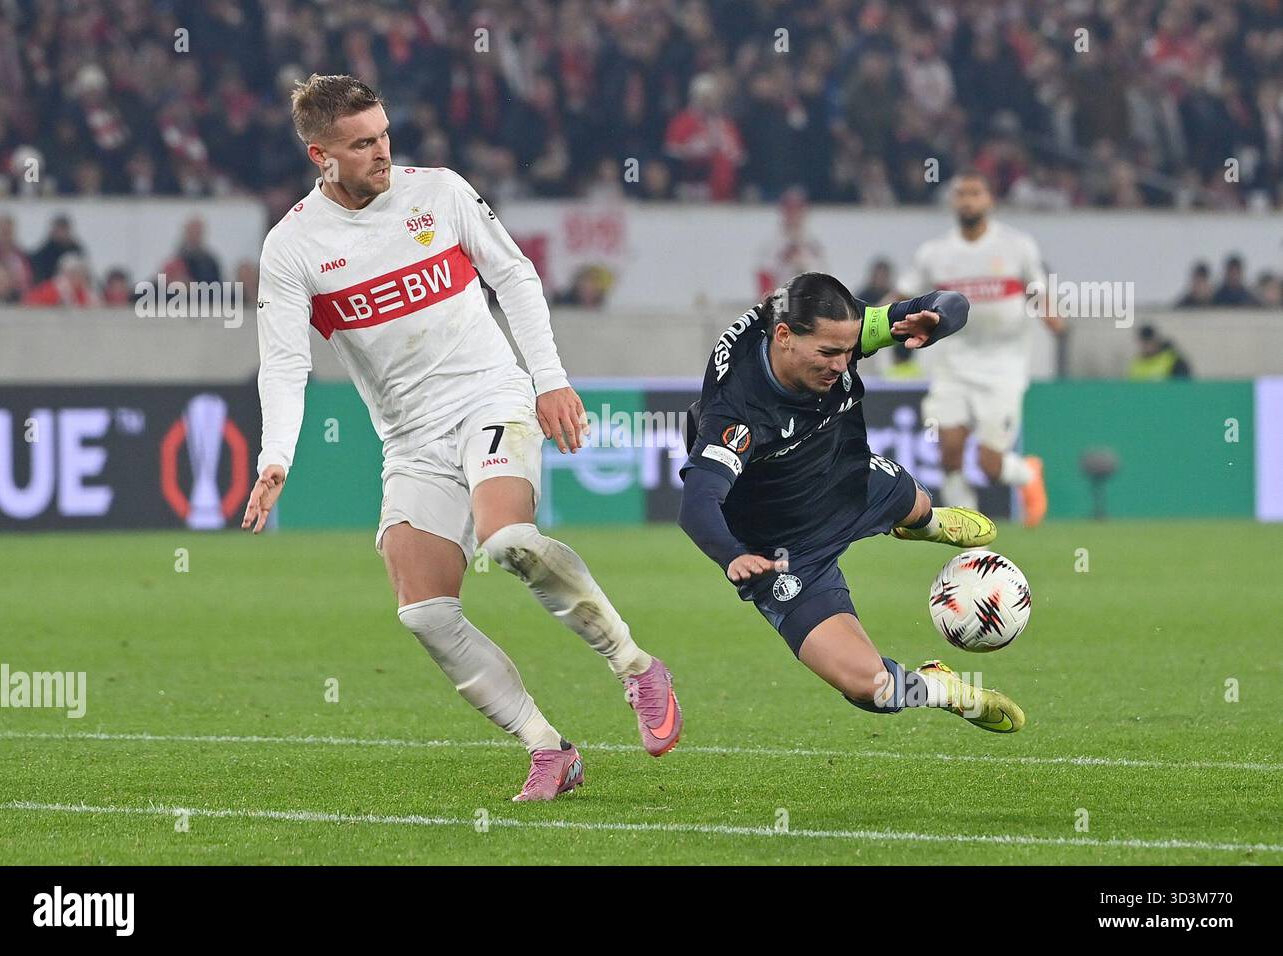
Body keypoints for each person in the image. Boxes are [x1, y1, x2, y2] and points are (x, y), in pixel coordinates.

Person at [243, 74, 681, 802]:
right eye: (362, 144)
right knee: (423, 610)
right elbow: (285, 363)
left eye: (384, 134)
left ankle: (634, 665)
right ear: (321, 155)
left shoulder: (440, 192)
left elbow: (516, 276)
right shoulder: (293, 248)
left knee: (507, 541)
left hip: (490, 397)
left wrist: (549, 378)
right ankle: (549, 748)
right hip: (409, 439)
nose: (382, 152)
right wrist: (276, 454)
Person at [678, 272, 1025, 732]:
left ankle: (923, 522)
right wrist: (734, 555)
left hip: (848, 478)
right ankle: (942, 688)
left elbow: (947, 302)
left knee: (917, 503)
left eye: (848, 350)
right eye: (828, 353)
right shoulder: (736, 408)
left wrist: (941, 319)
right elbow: (698, 502)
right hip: (783, 550)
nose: (842, 364)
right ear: (783, 337)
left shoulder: (836, 327)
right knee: (873, 688)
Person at [896, 169, 1060, 526]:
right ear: (953, 202)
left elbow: (1038, 290)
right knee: (949, 450)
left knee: (990, 465)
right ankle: (967, 526)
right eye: (961, 194)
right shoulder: (935, 253)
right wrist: (869, 317)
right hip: (951, 364)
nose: (968, 201)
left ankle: (1028, 474)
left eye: (975, 193)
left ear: (989, 200)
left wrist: (1053, 318)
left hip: (1003, 367)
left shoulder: (1017, 246)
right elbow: (905, 294)